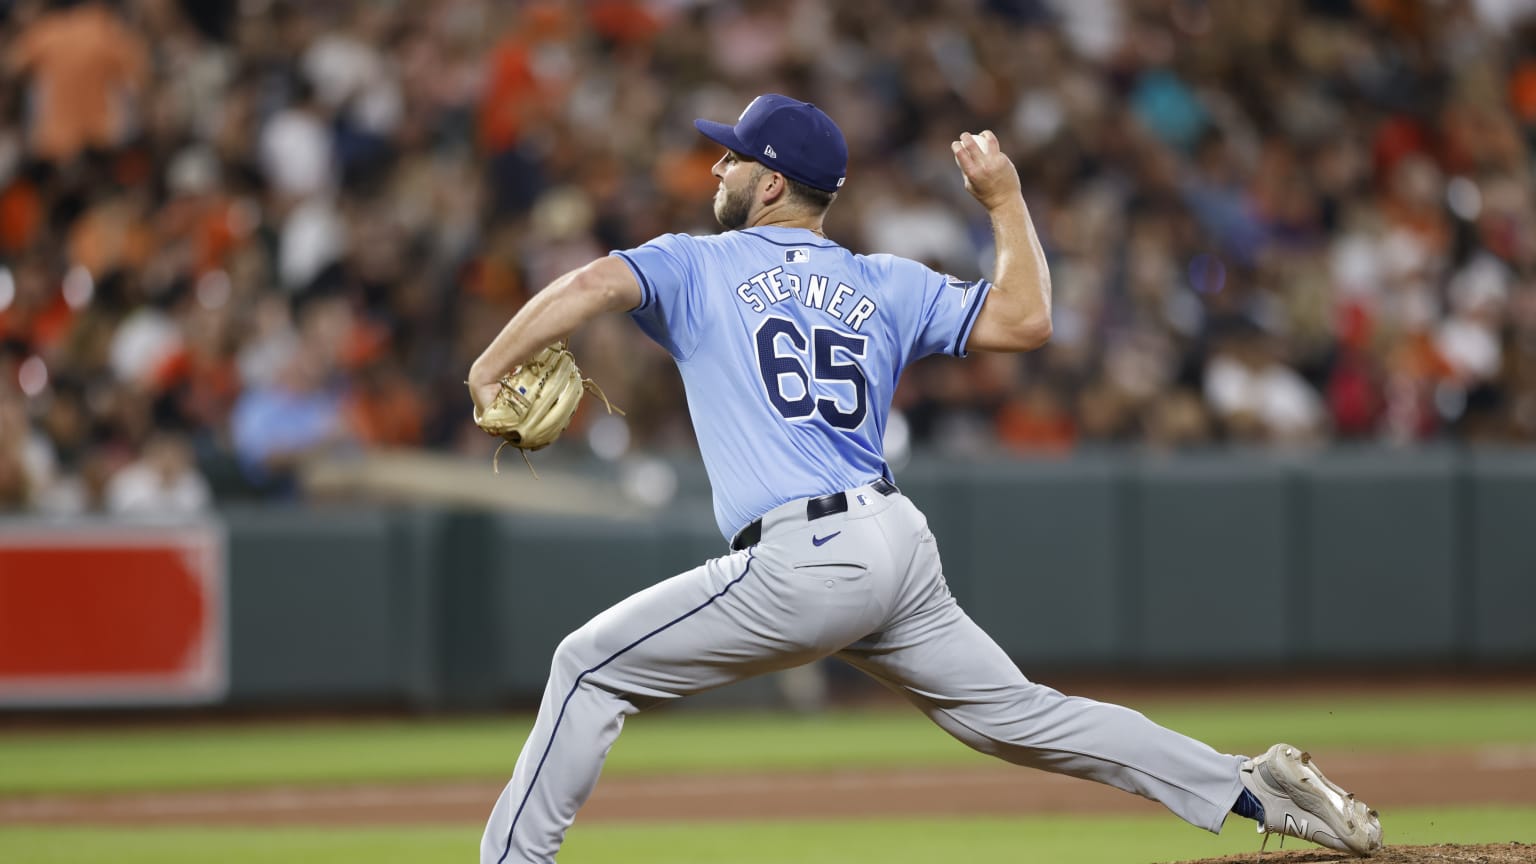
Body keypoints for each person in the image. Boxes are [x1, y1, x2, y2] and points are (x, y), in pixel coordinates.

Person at [467, 94, 1382, 864]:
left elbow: (589, 282)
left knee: (587, 667)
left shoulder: (698, 263)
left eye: (732, 159)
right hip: (896, 545)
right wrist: (1005, 200)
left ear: (771, 181)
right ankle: (1250, 787)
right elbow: (1027, 320)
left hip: (808, 557)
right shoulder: (884, 280)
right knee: (1021, 716)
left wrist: (488, 366)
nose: (717, 171)